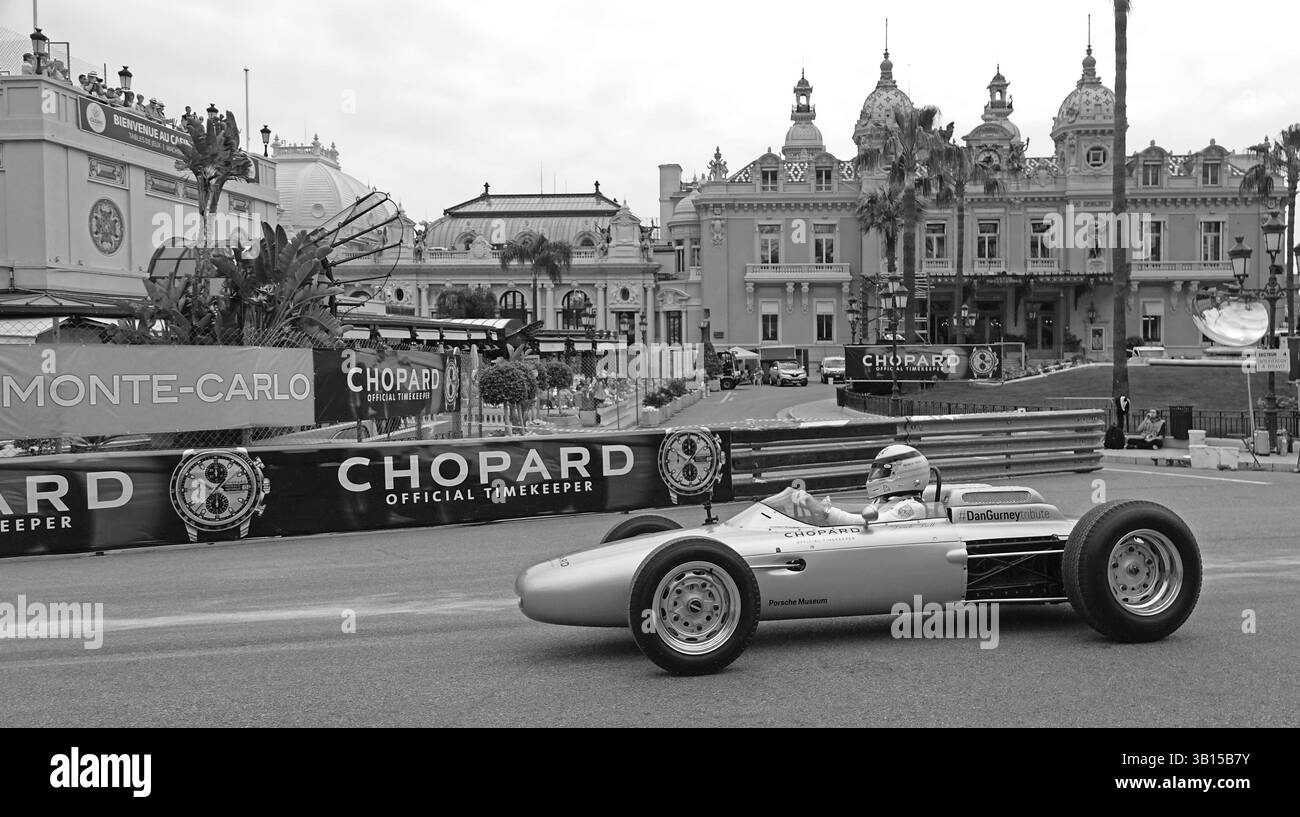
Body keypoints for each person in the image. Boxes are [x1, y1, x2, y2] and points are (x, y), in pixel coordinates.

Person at [770, 444, 931, 526]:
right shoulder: (884, 502)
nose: (877, 477)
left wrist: (823, 511)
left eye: (883, 472)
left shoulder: (911, 508)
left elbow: (866, 524)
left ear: (902, 474)